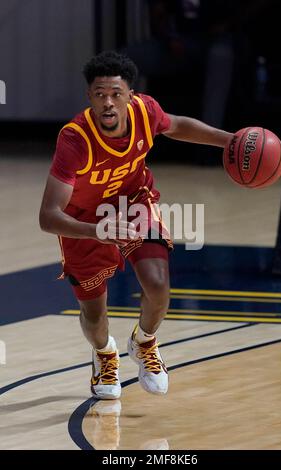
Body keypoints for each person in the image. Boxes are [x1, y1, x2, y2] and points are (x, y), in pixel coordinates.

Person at [39, 51, 233, 400]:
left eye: (116, 94)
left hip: (133, 202)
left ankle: (144, 342)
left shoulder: (146, 111)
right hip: (83, 221)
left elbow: (177, 125)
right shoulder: (74, 139)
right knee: (95, 316)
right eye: (100, 94)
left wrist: (227, 140)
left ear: (131, 95)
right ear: (89, 97)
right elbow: (48, 216)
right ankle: (103, 354)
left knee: (158, 286)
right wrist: (96, 231)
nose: (108, 102)